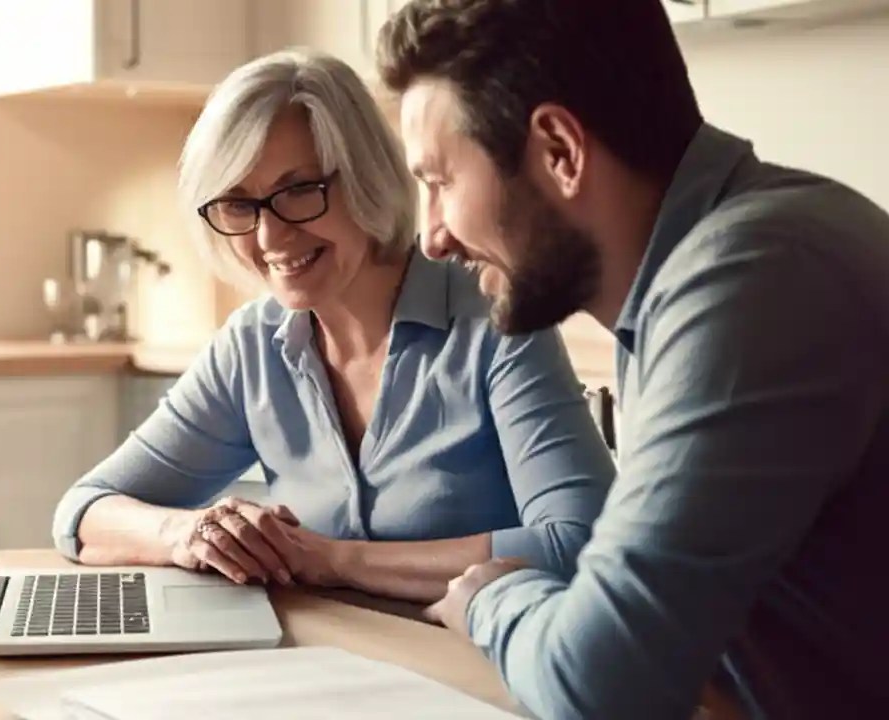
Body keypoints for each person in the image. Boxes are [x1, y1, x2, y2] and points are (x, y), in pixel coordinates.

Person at [377, 0, 889, 717]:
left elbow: (599, 684)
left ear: (560, 150)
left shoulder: (752, 277)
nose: (432, 237)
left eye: (438, 182)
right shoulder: (699, 277)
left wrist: (493, 594)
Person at [50, 48, 616, 605]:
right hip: (321, 671)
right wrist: (190, 534)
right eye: (238, 204)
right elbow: (85, 510)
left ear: (366, 178)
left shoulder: (497, 325)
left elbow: (580, 541)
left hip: (477, 673)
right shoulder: (251, 347)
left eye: (299, 191)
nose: (270, 238)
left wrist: (334, 559)